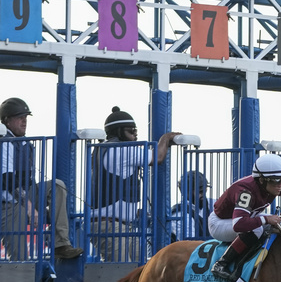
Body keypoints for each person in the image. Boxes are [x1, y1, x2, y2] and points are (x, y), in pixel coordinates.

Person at [91, 106, 177, 262]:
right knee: (121, 274)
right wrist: (165, 139)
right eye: (131, 131)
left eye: (136, 131)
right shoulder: (123, 150)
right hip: (112, 227)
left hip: (119, 225)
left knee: (138, 272)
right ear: (119, 132)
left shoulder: (103, 149)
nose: (136, 136)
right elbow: (158, 157)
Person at [208, 153, 281, 281]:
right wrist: (267, 219)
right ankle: (221, 263)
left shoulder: (271, 185)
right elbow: (239, 224)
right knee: (256, 229)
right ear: (262, 180)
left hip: (247, 217)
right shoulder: (246, 191)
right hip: (220, 222)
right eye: (276, 180)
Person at [1, 97, 82, 260]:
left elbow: (29, 180)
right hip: (8, 205)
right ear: (6, 121)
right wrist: (31, 208)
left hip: (24, 199)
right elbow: (7, 179)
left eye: (25, 117)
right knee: (21, 260)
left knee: (57, 185)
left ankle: (61, 244)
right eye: (19, 117)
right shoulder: (4, 142)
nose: (24, 121)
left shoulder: (26, 144)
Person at [169, 171, 214, 241]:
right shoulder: (182, 214)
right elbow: (188, 244)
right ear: (186, 193)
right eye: (200, 191)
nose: (203, 195)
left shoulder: (208, 204)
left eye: (205, 190)